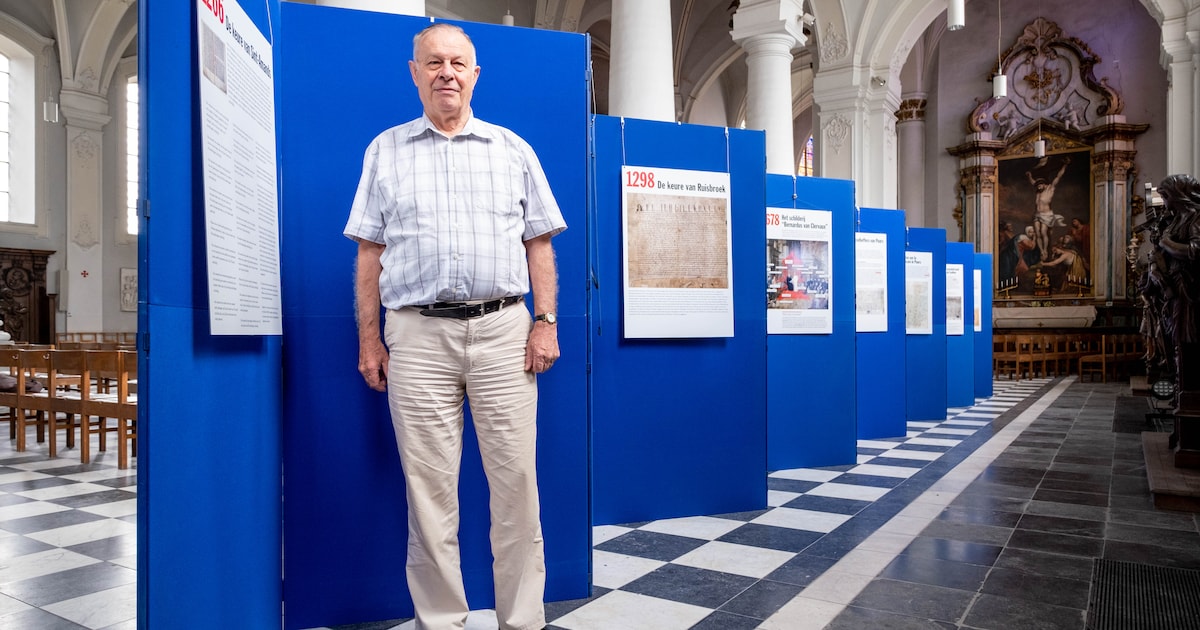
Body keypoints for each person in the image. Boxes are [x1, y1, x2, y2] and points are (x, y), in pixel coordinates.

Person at [344, 22, 566, 630]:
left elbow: (540, 245)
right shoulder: (384, 151)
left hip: (504, 334)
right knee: (429, 492)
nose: (447, 72)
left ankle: (521, 620)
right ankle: (442, 621)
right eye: (434, 62)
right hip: (416, 338)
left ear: (475, 74)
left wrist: (544, 323)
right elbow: (369, 254)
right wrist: (369, 338)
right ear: (414, 73)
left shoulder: (512, 150)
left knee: (517, 486)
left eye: (458, 62)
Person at [1026, 157, 1070, 262]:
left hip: (1046, 214)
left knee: (1043, 231)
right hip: (1037, 214)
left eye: (1041, 184)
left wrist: (1065, 165)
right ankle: (1042, 251)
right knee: (1037, 232)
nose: (1039, 186)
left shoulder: (1050, 189)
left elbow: (1058, 177)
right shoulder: (1038, 192)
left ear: (1045, 184)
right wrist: (1030, 176)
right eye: (1038, 185)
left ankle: (1045, 249)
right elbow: (1033, 182)